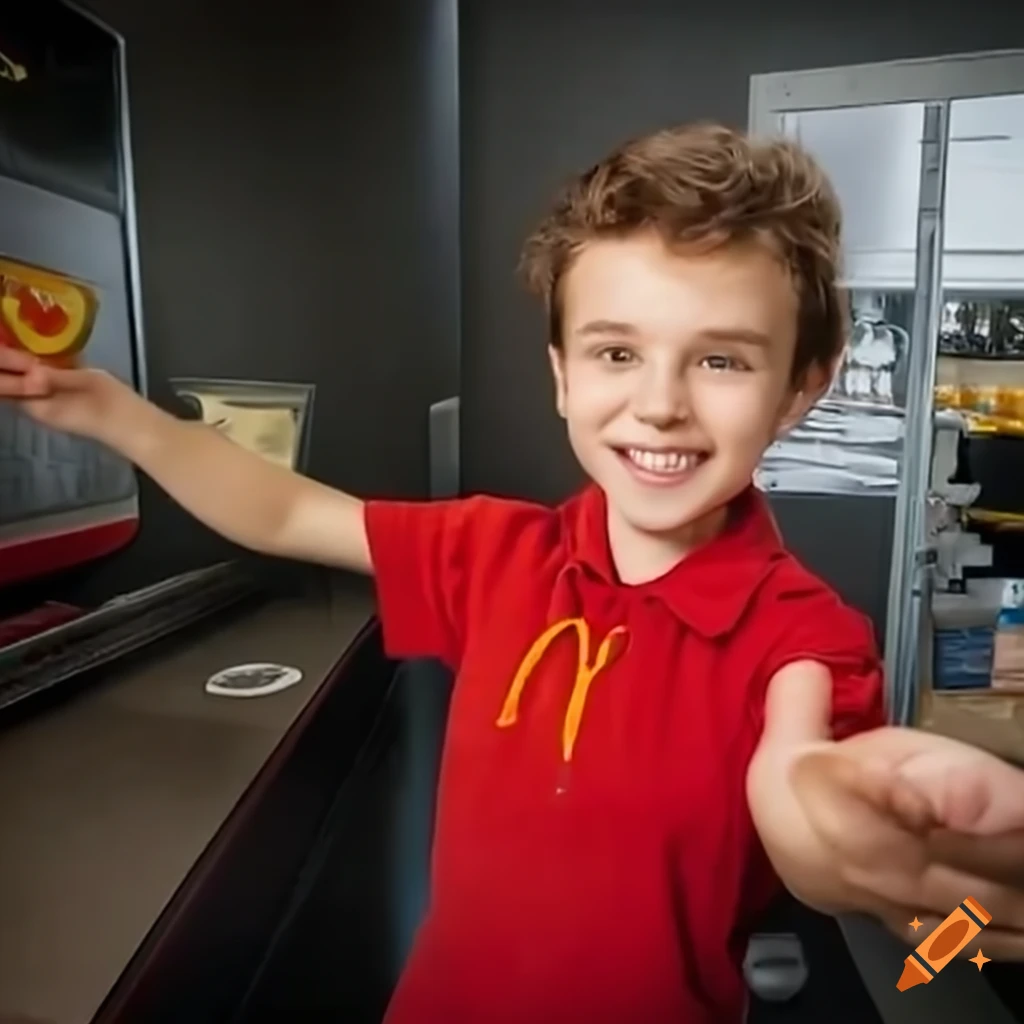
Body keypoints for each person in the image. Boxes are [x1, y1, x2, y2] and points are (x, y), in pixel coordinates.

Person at [2, 122, 1024, 1024]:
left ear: (802, 385)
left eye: (721, 360)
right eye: (616, 353)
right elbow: (284, 507)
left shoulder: (803, 636)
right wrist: (111, 411)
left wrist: (850, 810)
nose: (660, 404)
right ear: (561, 375)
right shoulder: (495, 552)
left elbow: (796, 797)